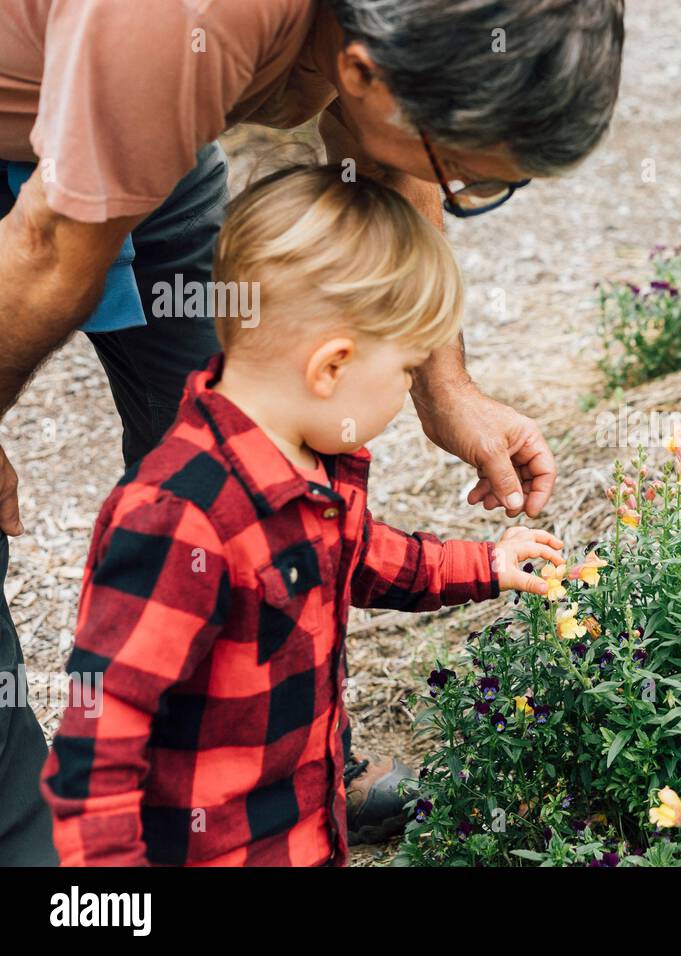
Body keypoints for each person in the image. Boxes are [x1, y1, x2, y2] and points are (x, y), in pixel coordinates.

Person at [0, 0, 625, 861]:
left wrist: (454, 428)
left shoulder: (295, 465)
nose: (464, 196)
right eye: (469, 179)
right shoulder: (170, 22)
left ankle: (261, 759)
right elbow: (46, 248)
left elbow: (350, 550)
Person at [40, 166, 567, 866]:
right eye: (408, 368)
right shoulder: (178, 517)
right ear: (332, 368)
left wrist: (481, 564)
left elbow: (357, 552)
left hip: (300, 834)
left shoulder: (306, 464)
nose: (409, 387)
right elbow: (100, 740)